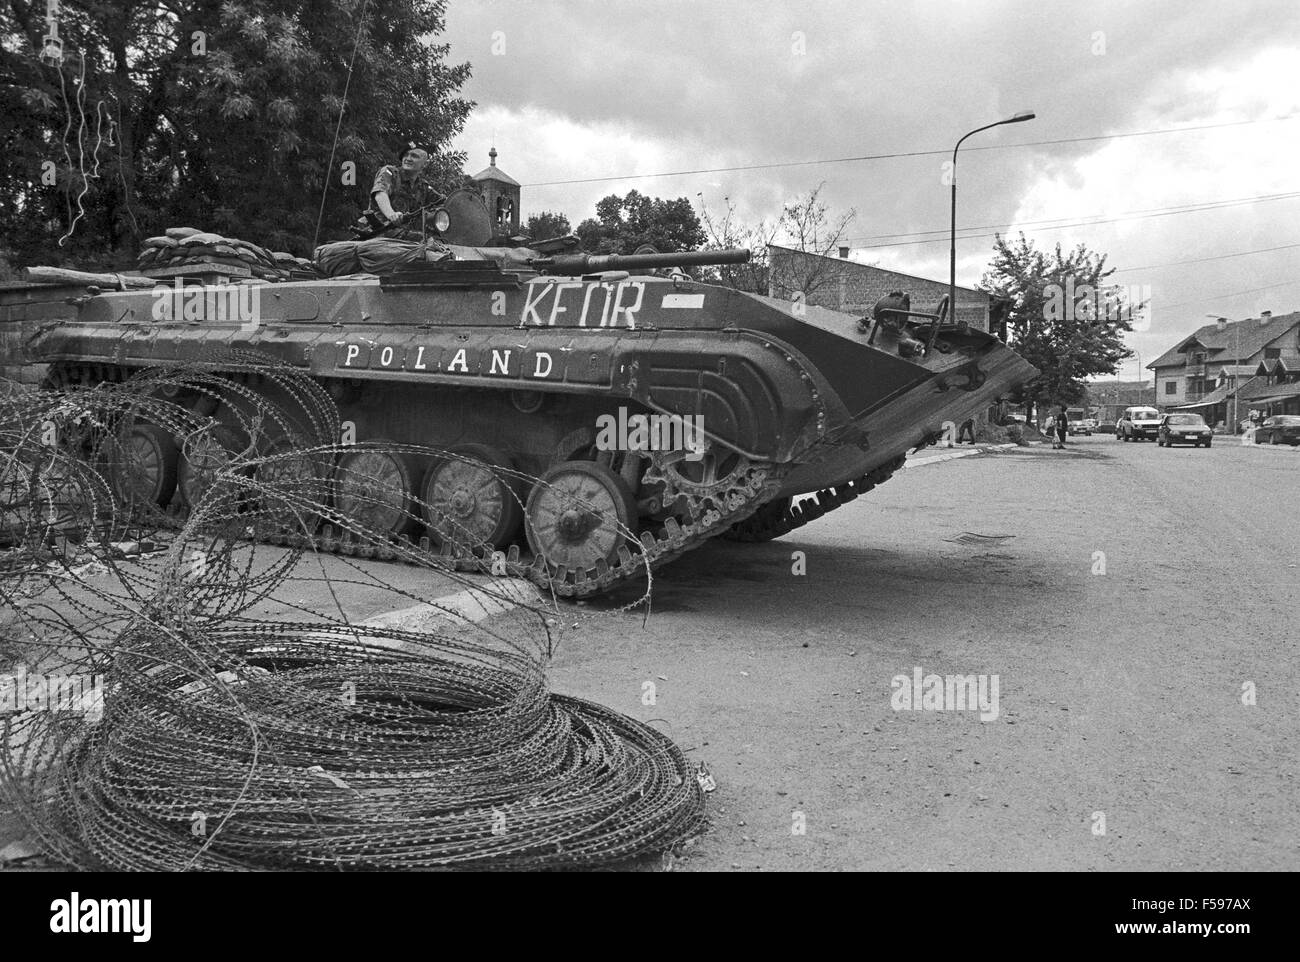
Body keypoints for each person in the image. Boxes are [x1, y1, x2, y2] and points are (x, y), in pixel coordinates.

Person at [366, 147, 445, 242]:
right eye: (406, 155)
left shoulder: (423, 186)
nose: (408, 158)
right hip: (380, 231)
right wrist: (391, 214)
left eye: (414, 156)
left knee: (441, 240)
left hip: (405, 236)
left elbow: (445, 203)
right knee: (429, 241)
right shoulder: (390, 172)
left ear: (424, 164)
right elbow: (380, 193)